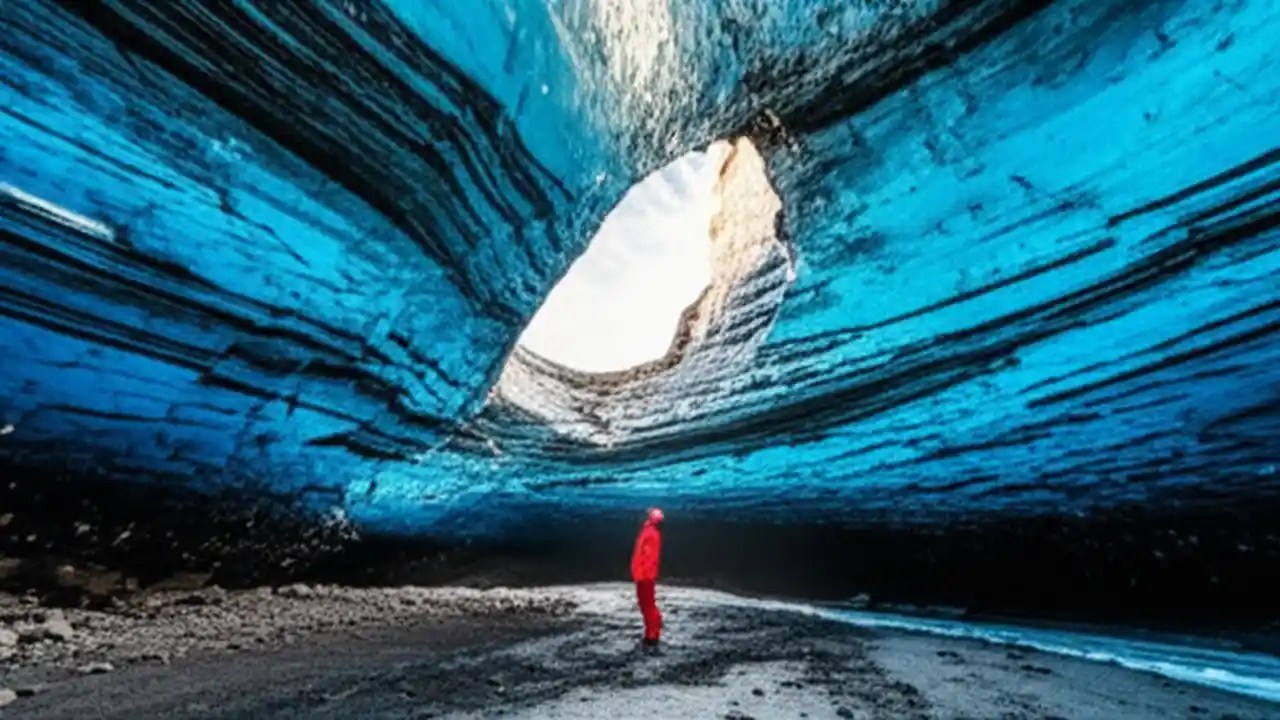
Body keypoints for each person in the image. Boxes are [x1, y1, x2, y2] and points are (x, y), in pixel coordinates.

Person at [630, 507, 664, 649]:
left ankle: (652, 633)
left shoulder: (650, 533)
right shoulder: (650, 532)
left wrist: (641, 574)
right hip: (644, 574)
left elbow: (647, 557)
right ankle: (652, 630)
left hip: (645, 575)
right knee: (646, 603)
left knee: (647, 604)